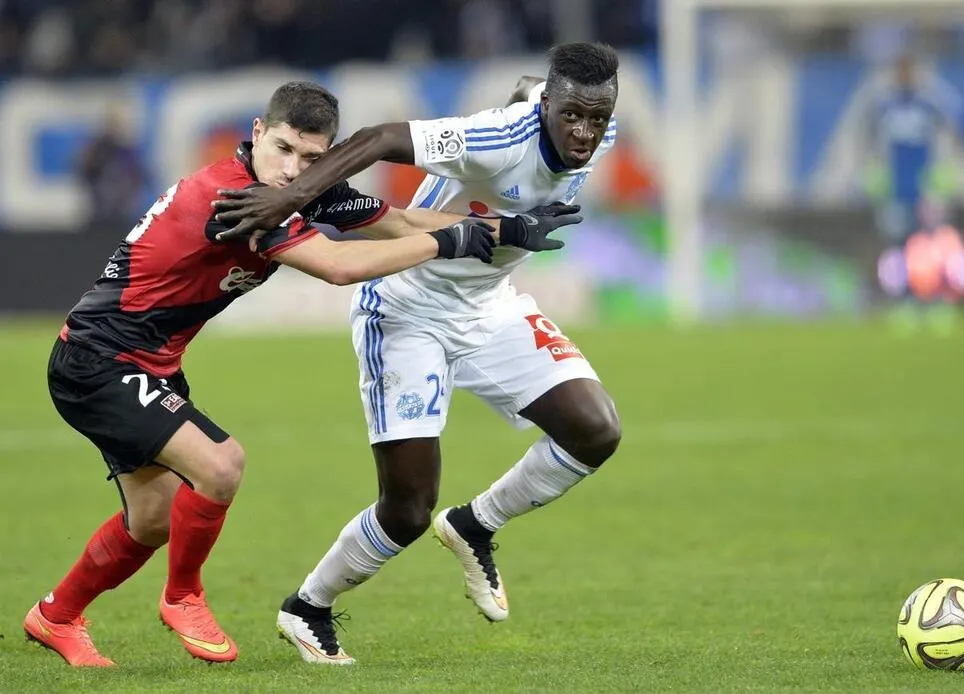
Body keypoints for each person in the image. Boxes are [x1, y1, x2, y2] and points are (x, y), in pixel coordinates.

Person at [24, 80, 578, 668]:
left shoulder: (301, 193)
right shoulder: (235, 199)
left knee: (153, 520)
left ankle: (57, 616)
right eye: (283, 148)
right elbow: (338, 267)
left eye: (311, 158)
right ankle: (183, 596)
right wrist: (448, 243)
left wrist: (503, 230)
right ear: (257, 133)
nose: (292, 170)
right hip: (98, 358)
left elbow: (397, 222)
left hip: (150, 364)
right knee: (221, 465)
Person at [213, 43, 622, 664]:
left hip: (490, 305)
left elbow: (540, 92)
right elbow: (377, 138)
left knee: (595, 430)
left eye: (597, 118)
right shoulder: (494, 138)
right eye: (571, 116)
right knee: (407, 509)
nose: (585, 132)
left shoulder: (588, 118)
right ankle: (308, 607)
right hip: (409, 307)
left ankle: (475, 524)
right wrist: (286, 200)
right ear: (547, 107)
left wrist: (534, 97)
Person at [864, 54, 964, 334]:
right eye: (901, 71)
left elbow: (959, 127)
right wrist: (876, 171)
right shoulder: (884, 105)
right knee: (901, 244)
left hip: (926, 183)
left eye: (908, 71)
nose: (905, 76)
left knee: (934, 243)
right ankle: (906, 301)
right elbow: (870, 140)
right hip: (899, 185)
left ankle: (939, 300)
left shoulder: (930, 101)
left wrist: (947, 168)